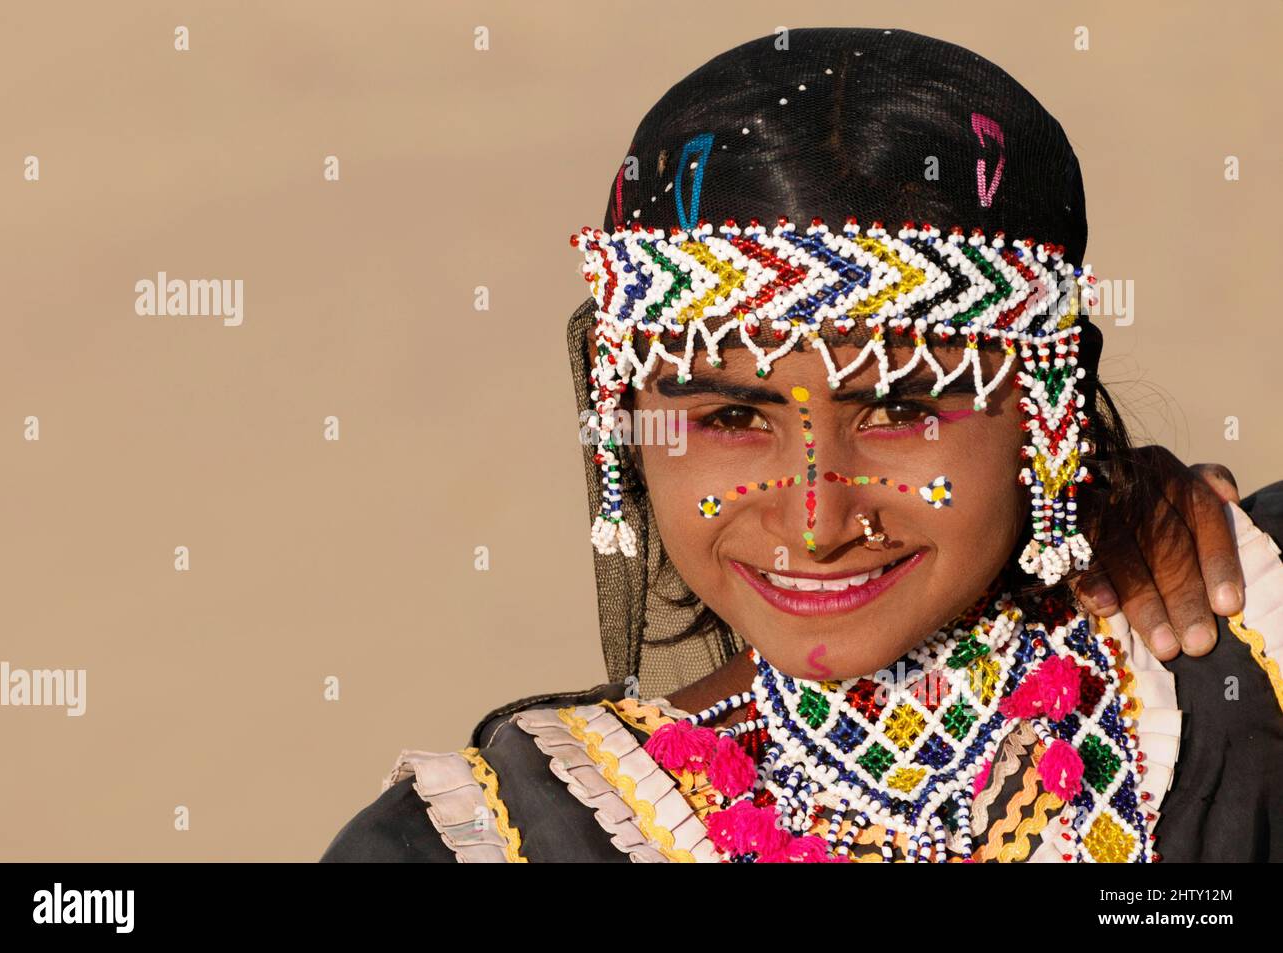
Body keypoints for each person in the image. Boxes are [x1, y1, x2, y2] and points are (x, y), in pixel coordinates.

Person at [321, 28, 1282, 863]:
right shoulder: (484, 839)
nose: (815, 523)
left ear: (1048, 405)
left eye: (902, 411)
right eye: (732, 418)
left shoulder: (1239, 678)